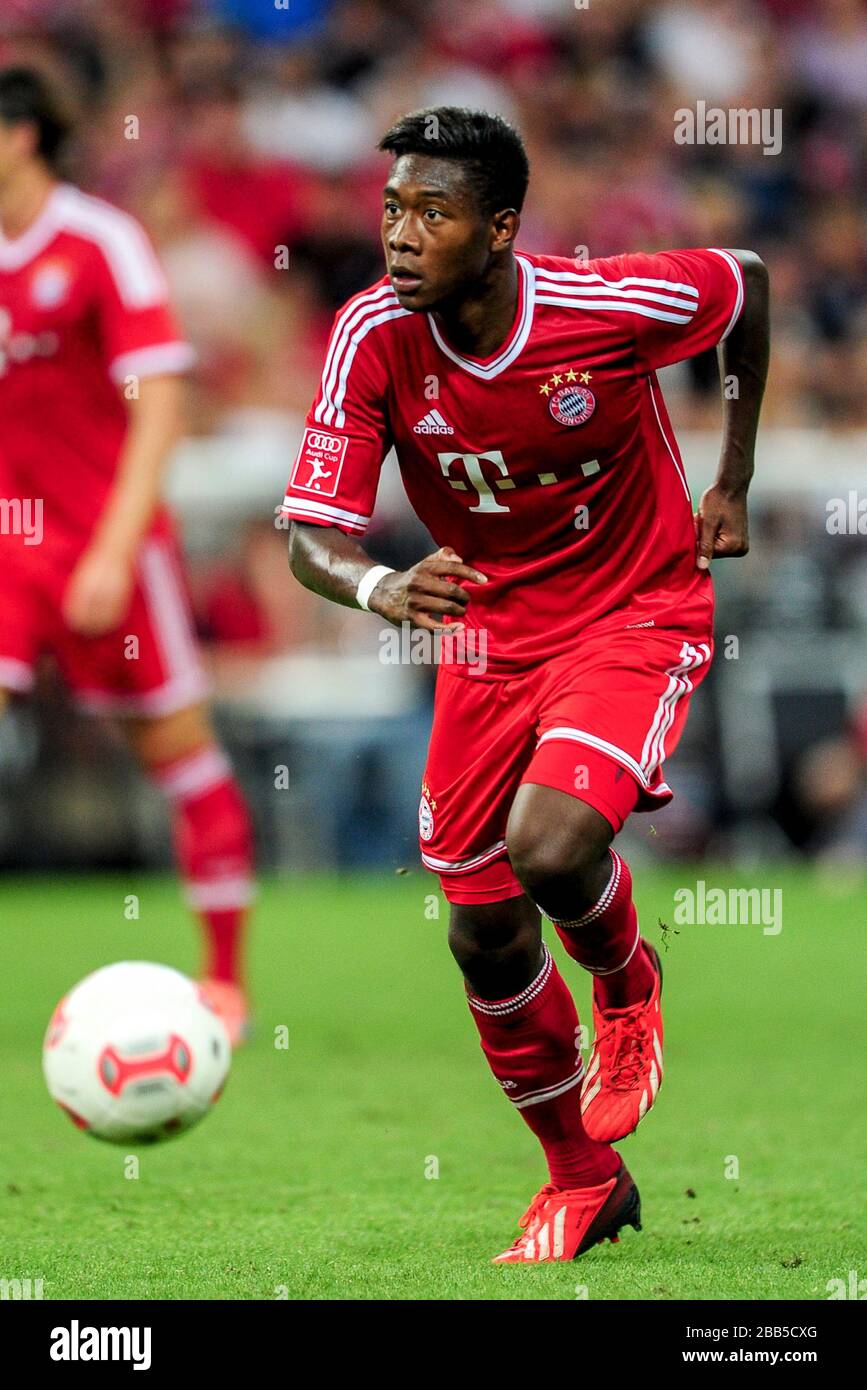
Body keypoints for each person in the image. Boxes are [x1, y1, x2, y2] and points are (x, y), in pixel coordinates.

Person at [283, 106, 769, 1262]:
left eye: (433, 213)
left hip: (634, 609)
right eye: (393, 207)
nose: (401, 234)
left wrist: (732, 476)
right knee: (484, 932)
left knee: (550, 849)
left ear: (500, 229)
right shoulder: (369, 336)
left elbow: (744, 285)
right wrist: (378, 588)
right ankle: (585, 1177)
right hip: (488, 640)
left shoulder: (604, 308)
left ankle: (628, 980)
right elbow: (309, 533)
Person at [0, 68, 254, 1044]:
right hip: (10, 548)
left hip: (107, 540)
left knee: (179, 753)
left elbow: (163, 404)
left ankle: (226, 980)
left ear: (21, 134)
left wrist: (112, 548)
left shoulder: (101, 240)